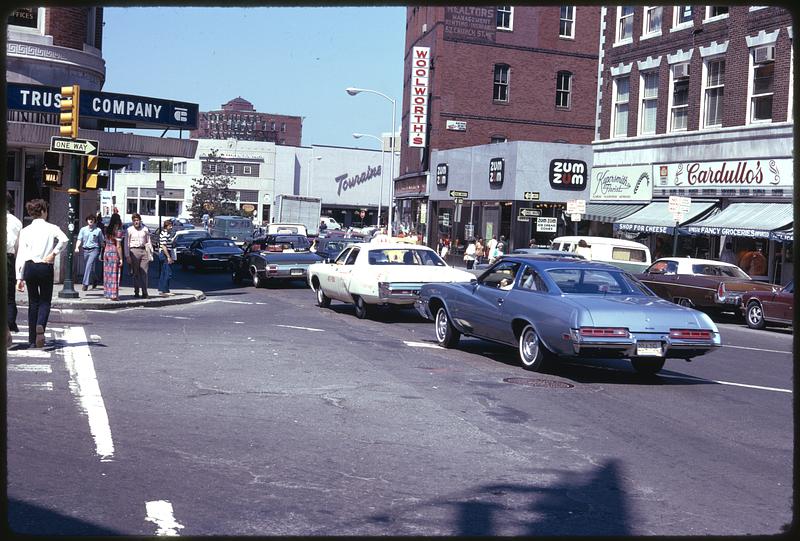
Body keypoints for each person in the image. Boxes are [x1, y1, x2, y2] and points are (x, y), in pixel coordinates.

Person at [15, 199, 68, 348]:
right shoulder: (51, 227)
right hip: (45, 266)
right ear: (44, 211)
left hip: (30, 267)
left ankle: (32, 339)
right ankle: (41, 325)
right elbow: (64, 240)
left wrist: (19, 277)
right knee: (45, 300)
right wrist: (53, 253)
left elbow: (21, 254)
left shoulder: (25, 231)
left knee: (33, 302)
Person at [6, 192, 22, 348]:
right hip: (8, 258)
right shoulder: (16, 222)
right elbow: (18, 247)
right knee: (9, 296)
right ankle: (9, 323)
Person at [74, 214, 105, 291]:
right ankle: (95, 279)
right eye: (89, 219)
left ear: (94, 221)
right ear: (87, 221)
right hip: (85, 250)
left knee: (89, 265)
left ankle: (85, 284)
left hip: (94, 249)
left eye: (92, 219)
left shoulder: (98, 230)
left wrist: (104, 251)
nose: (90, 220)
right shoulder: (83, 229)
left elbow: (102, 242)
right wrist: (77, 247)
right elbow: (79, 239)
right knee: (88, 268)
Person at [126, 213, 153, 299]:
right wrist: (127, 255)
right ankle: (136, 291)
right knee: (136, 273)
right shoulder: (129, 230)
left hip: (144, 251)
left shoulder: (145, 229)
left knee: (144, 272)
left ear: (140, 221)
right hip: (134, 251)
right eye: (134, 220)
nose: (136, 222)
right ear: (132, 221)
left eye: (137, 220)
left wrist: (150, 252)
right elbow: (126, 243)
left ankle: (145, 292)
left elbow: (148, 241)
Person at [103, 213, 123, 301]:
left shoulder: (107, 229)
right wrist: (121, 258)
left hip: (106, 251)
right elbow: (118, 246)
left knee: (107, 273)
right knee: (115, 273)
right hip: (114, 252)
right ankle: (113, 294)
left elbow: (104, 242)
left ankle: (107, 293)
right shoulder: (118, 231)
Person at [156, 219, 175, 296]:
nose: (171, 227)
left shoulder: (166, 233)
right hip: (165, 254)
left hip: (164, 253)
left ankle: (162, 289)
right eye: (170, 226)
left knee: (163, 272)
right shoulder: (165, 234)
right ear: (166, 226)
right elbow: (164, 246)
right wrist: (168, 257)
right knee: (167, 272)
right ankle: (165, 290)